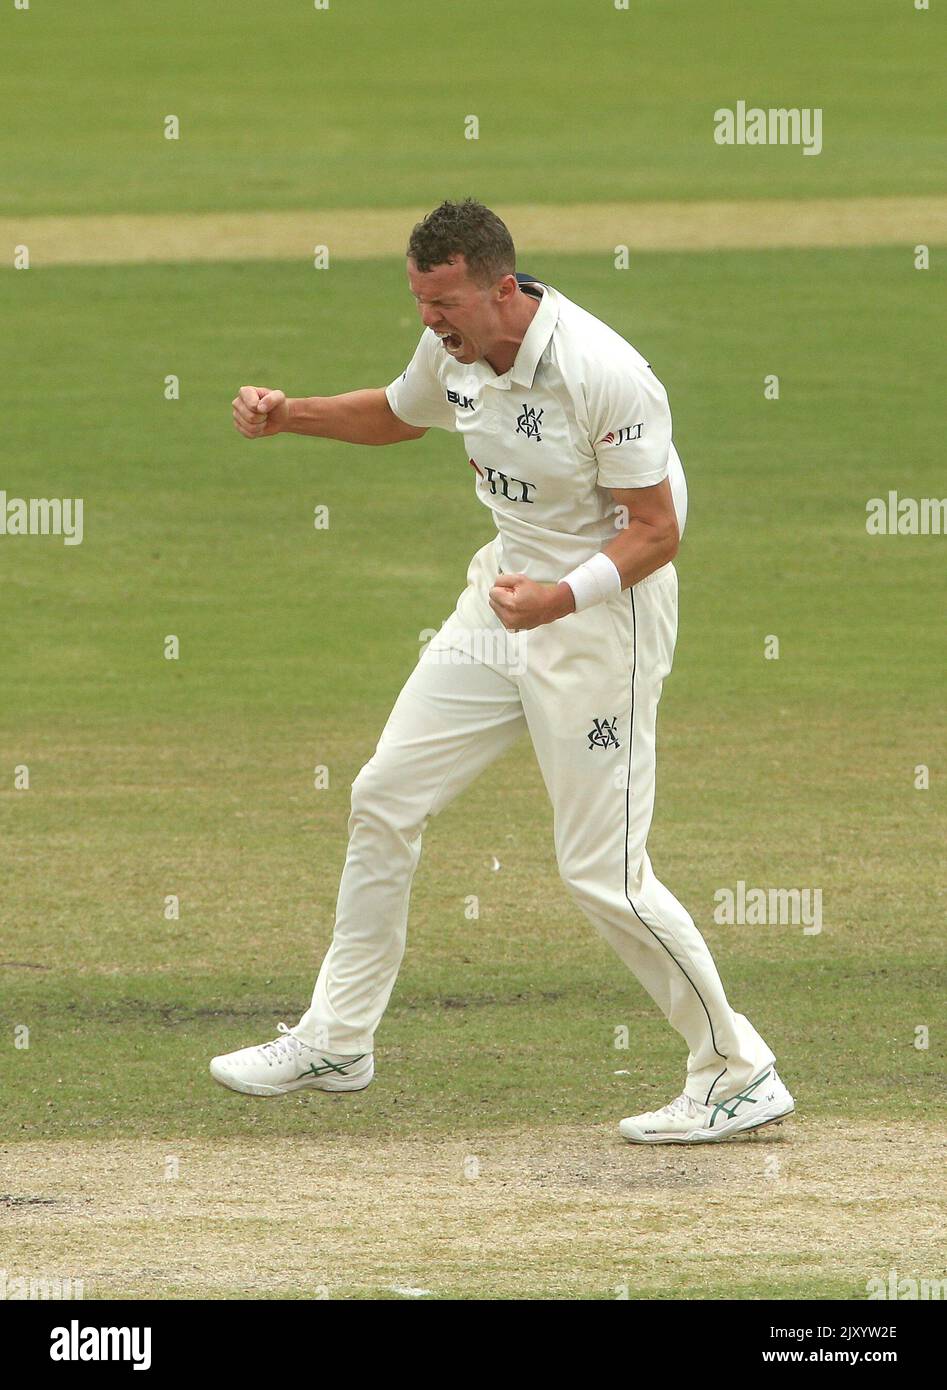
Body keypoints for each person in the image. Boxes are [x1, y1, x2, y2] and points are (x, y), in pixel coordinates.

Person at [212, 199, 794, 1143]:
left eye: (443, 301)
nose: (429, 320)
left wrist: (557, 603)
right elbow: (403, 416)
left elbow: (658, 532)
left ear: (500, 286)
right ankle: (336, 1038)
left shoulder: (601, 374)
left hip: (600, 622)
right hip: (500, 603)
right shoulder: (450, 352)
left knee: (603, 873)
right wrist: (290, 418)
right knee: (384, 794)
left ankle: (736, 1070)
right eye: (418, 300)